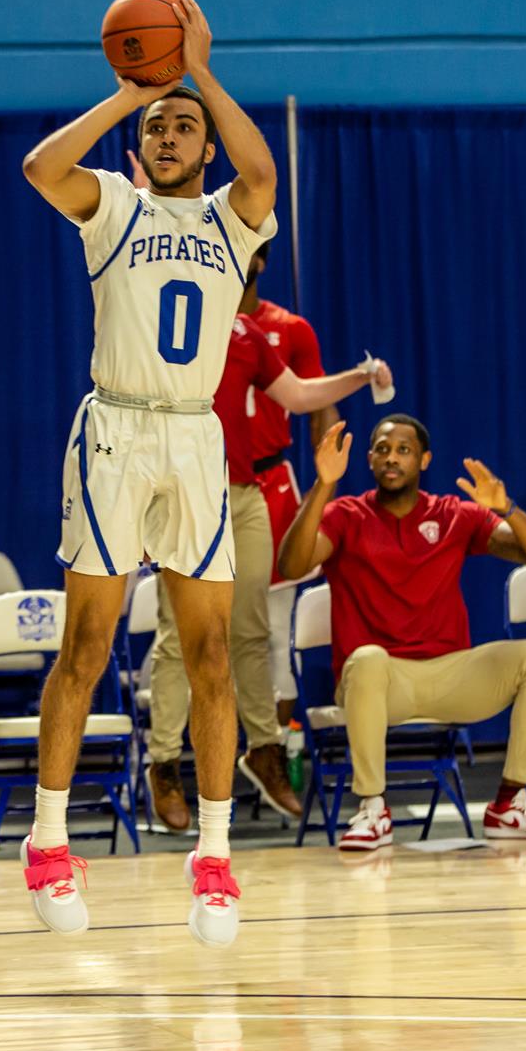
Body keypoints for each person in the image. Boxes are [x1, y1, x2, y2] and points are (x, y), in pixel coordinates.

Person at [20, 0, 273, 946]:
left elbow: (262, 169)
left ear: (203, 148)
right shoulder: (113, 205)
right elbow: (42, 166)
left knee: (210, 654)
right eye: (157, 127)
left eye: (183, 127)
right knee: (87, 644)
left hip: (194, 440)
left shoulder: (231, 219)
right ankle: (47, 842)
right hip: (117, 433)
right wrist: (129, 93)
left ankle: (212, 856)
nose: (169, 135)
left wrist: (198, 73)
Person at [277, 417, 526, 849]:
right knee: (366, 660)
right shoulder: (346, 516)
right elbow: (291, 566)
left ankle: (510, 804)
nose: (392, 458)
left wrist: (506, 507)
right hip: (378, 683)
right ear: (369, 459)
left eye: (403, 450)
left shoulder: (453, 514)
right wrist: (324, 485)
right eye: (382, 449)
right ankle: (372, 808)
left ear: (424, 460)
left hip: (449, 675)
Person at [143, 309, 388, 830]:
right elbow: (138, 417)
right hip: (184, 491)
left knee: (251, 631)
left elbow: (297, 395)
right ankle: (163, 764)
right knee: (177, 634)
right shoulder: (165, 315)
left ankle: (263, 749)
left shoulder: (244, 333)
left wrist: (361, 376)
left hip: (246, 492)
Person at [240, 242, 333, 725]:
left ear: (261, 261)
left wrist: (326, 488)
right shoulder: (191, 317)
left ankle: (279, 746)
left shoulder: (291, 329)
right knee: (194, 631)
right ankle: (187, 759)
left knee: (276, 630)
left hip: (270, 481)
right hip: (207, 485)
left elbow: (318, 404)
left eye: (249, 248)